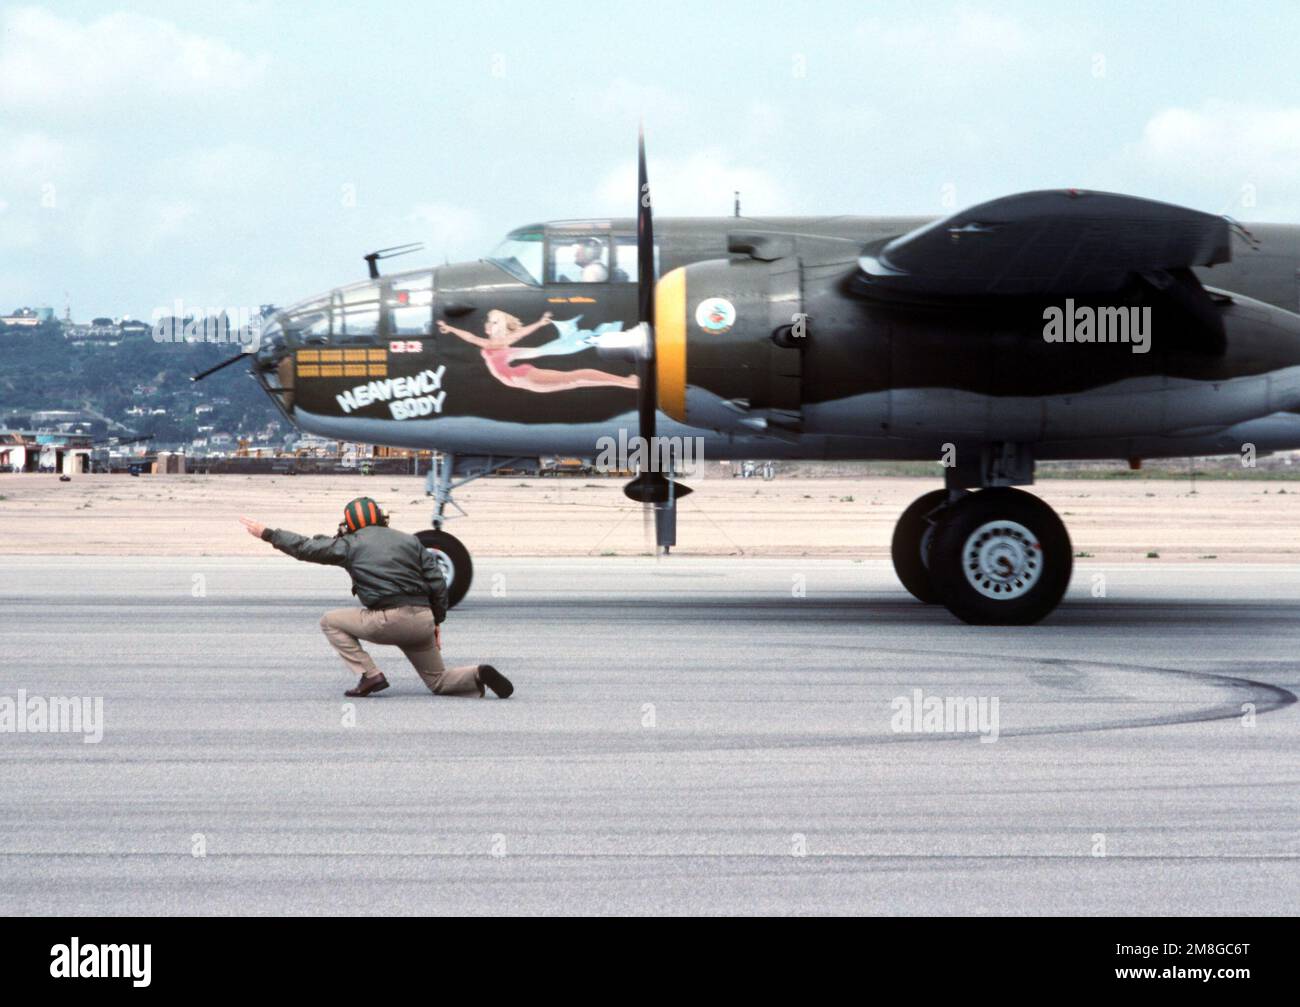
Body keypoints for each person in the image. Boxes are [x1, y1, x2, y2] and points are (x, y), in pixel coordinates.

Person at [238, 498, 513, 700]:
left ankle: (370, 675)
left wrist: (269, 534)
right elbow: (437, 583)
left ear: (351, 523)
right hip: (422, 620)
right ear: (381, 518)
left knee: (330, 621)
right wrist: (437, 621)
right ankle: (478, 673)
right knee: (438, 681)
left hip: (388, 619)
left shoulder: (350, 544)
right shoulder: (410, 541)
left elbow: (307, 548)